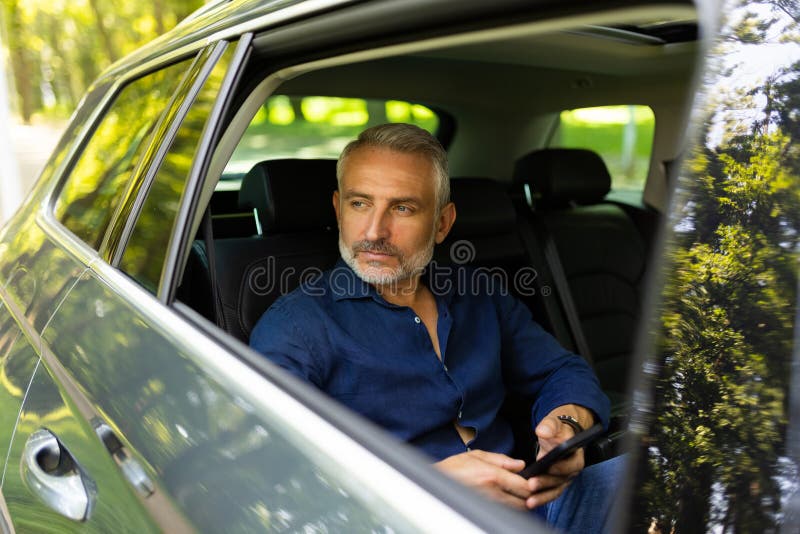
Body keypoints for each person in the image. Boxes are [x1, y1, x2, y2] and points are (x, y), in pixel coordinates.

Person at [250, 123, 622, 532]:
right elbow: (277, 477)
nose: (375, 232)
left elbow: (561, 370)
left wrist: (568, 426)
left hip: (534, 503)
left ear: (442, 223)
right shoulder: (295, 328)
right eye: (360, 204)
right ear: (338, 209)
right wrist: (432, 485)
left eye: (403, 208)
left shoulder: (478, 294)